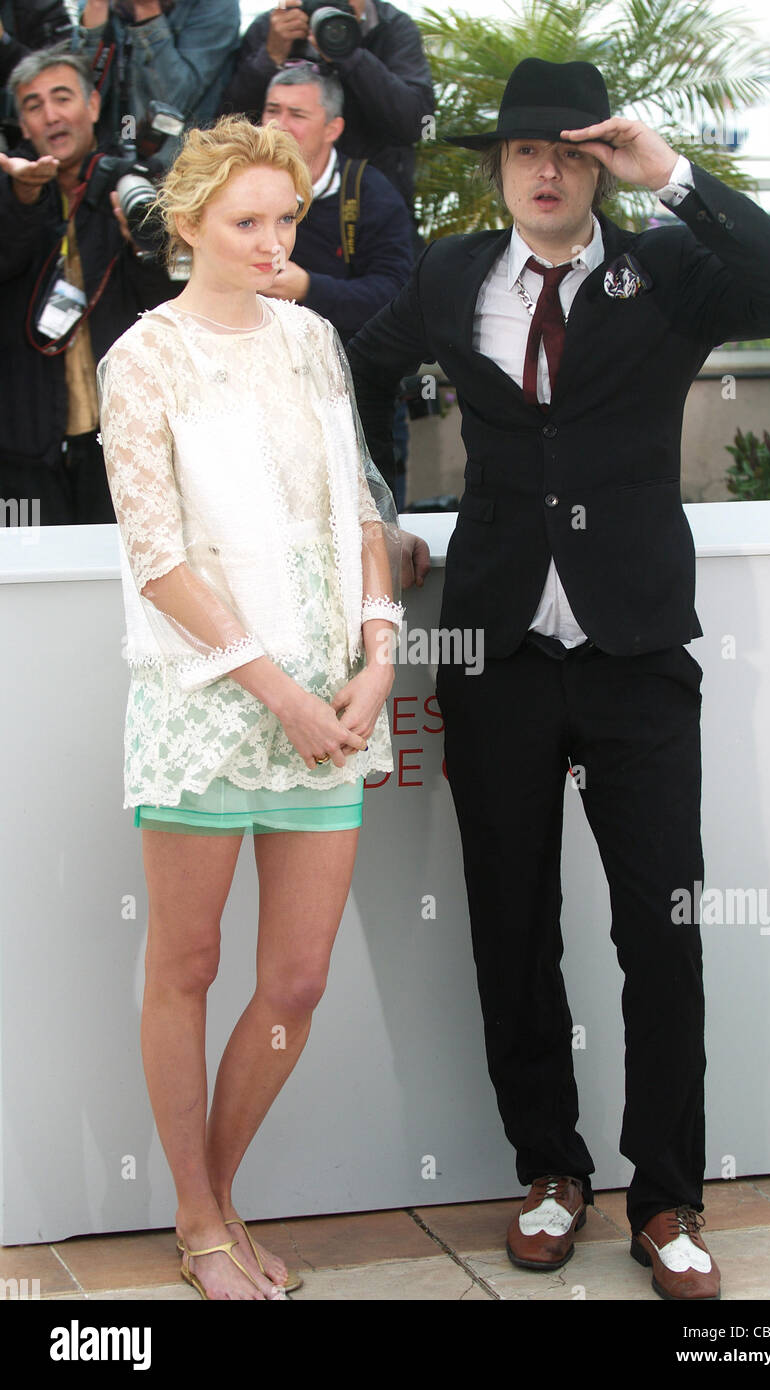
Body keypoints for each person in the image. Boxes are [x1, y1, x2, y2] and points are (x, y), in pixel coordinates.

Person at [346, 59, 770, 1301]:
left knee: (659, 935)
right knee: (513, 933)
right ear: (499, 169)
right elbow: (340, 365)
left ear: (602, 160)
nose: (547, 170)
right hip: (498, 652)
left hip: (637, 655)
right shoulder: (452, 274)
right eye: (524, 153)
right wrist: (370, 512)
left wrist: (669, 174)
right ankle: (549, 1172)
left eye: (574, 149)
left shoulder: (665, 271)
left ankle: (668, 1197)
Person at [97, 114, 406, 1300]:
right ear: (189, 228)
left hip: (331, 702)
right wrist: (275, 689)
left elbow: (365, 508)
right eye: (248, 223)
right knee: (186, 962)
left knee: (297, 981)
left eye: (288, 219)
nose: (275, 241)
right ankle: (200, 1221)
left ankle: (216, 1201)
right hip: (212, 702)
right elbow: (159, 557)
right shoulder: (145, 359)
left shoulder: (315, 339)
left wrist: (378, 659)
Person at [0, 45, 177, 525]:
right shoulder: (11, 187)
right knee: (28, 574)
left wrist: (142, 247)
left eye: (62, 98)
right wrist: (21, 196)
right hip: (22, 448)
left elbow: (169, 306)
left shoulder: (133, 186)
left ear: (93, 107)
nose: (51, 115)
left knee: (119, 579)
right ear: (22, 123)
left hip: (120, 442)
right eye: (34, 106)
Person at [220, 0, 433, 212]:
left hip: (371, 202)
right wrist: (270, 57)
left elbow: (419, 124)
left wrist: (350, 55)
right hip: (274, 195)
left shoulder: (392, 27)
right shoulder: (273, 27)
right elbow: (227, 126)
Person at [260, 63, 414, 351]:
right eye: (272, 110)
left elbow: (397, 293)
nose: (278, 125)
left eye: (297, 114)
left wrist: (308, 288)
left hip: (337, 358)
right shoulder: (237, 186)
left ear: (333, 128)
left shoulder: (369, 193)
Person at [75, 0, 240, 159]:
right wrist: (97, 8)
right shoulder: (96, 5)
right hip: (103, 161)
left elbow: (171, 103)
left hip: (177, 169)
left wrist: (147, 10)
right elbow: (82, 102)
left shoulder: (216, 5)